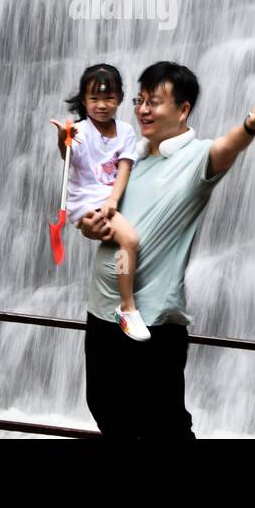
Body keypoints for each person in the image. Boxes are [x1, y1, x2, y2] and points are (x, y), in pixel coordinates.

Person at [78, 60, 255, 438]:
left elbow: (226, 148)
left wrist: (252, 124)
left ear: (183, 109)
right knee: (106, 408)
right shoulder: (127, 158)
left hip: (153, 322)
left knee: (165, 425)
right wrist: (90, 228)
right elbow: (97, 212)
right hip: (101, 312)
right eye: (139, 101)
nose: (143, 110)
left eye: (154, 102)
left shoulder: (196, 159)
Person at [51, 64, 151, 341]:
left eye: (109, 98)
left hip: (108, 200)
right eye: (94, 99)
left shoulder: (126, 132)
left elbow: (124, 169)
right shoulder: (80, 130)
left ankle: (125, 305)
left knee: (122, 240)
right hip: (86, 201)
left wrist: (113, 200)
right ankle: (126, 307)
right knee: (129, 240)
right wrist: (63, 140)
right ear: (84, 101)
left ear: (120, 99)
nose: (102, 105)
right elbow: (68, 156)